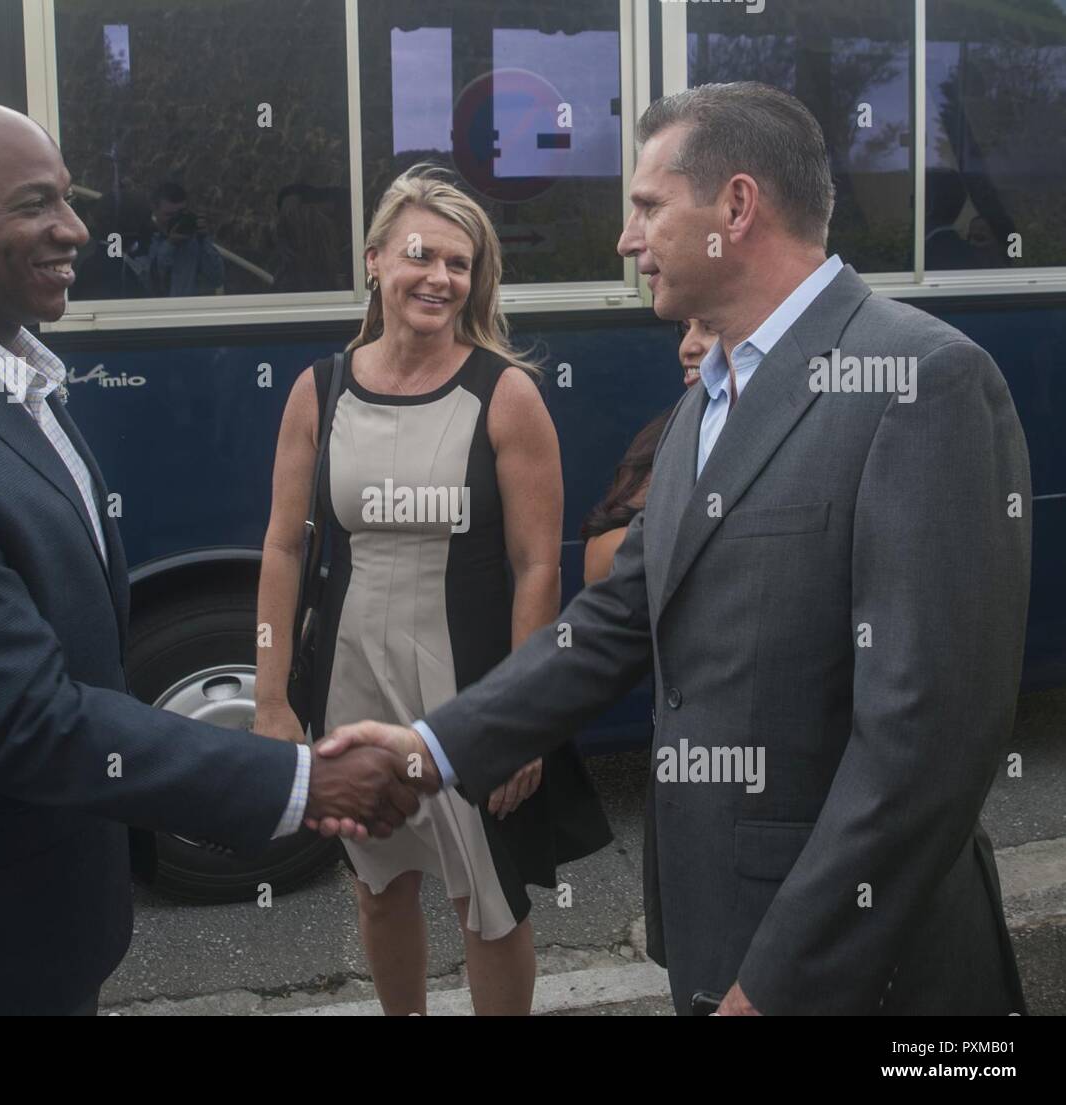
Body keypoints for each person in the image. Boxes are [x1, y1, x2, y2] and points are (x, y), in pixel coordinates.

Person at [314, 82, 1032, 1016]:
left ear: (736, 207)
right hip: (716, 933)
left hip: (860, 973)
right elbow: (613, 622)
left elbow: (923, 750)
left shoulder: (922, 381)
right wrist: (428, 749)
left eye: (648, 206)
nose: (625, 236)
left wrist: (774, 989)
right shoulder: (707, 400)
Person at [0, 100, 425, 1016]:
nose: (76, 228)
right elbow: (26, 722)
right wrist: (304, 778)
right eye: (34, 202)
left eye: (68, 196)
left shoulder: (4, 364)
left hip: (45, 899)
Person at [254, 166, 610, 1016]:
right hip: (351, 684)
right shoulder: (320, 388)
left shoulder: (506, 394)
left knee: (485, 900)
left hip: (471, 694)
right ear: (375, 261)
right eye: (422, 255)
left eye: (461, 263)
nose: (440, 277)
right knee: (380, 888)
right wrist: (270, 697)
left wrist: (524, 718)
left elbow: (538, 568)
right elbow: (281, 547)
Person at [582, 318, 715, 584]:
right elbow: (600, 559)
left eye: (710, 327)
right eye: (684, 329)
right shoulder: (665, 437)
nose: (687, 347)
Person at [147, 181, 225, 296]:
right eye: (169, 215)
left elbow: (217, 278)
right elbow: (150, 281)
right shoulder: (145, 237)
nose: (175, 220)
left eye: (180, 214)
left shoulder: (194, 240)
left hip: (187, 308)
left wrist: (203, 240)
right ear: (154, 209)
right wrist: (170, 244)